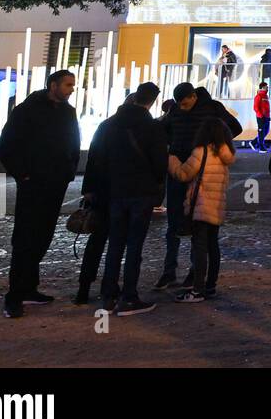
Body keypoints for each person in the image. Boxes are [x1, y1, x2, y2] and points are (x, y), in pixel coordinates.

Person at [0, 69, 81, 318]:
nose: (71, 89)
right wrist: (23, 174)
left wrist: (68, 171)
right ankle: (14, 295)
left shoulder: (68, 112)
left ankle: (29, 288)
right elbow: (6, 146)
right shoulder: (27, 110)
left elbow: (73, 142)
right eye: (67, 84)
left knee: (43, 235)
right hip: (33, 184)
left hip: (55, 184)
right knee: (25, 238)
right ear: (53, 85)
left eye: (73, 85)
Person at [82, 82, 166, 314]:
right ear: (153, 101)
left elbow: (95, 158)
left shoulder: (108, 125)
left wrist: (91, 189)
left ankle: (108, 295)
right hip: (141, 192)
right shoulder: (152, 127)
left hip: (114, 192)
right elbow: (160, 164)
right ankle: (129, 296)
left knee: (115, 243)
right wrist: (158, 186)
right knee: (134, 245)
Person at [156, 83, 242, 291]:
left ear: (193, 96)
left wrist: (214, 147)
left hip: (201, 173)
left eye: (185, 103)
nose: (182, 107)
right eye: (179, 104)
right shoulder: (175, 109)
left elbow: (235, 127)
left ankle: (196, 273)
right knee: (174, 224)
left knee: (199, 227)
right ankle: (169, 271)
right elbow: (165, 129)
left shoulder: (213, 108)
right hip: (179, 171)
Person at [168, 117, 236, 302]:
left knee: (199, 248)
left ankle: (197, 289)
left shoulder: (201, 151)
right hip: (216, 207)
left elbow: (183, 173)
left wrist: (172, 160)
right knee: (213, 247)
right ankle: (210, 286)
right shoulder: (225, 156)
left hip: (201, 206)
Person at [252, 81, 271, 153]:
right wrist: (261, 116)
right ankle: (261, 148)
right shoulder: (258, 96)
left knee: (266, 131)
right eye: (266, 87)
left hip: (266, 117)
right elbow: (255, 108)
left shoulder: (266, 96)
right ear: (262, 88)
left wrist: (268, 116)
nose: (267, 88)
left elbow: (266, 108)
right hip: (261, 117)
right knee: (261, 132)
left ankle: (254, 142)